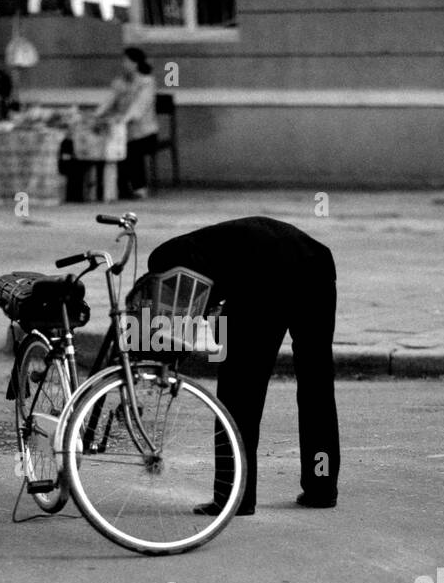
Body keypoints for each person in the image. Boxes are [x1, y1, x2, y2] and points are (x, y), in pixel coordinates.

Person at [146, 216, 340, 516]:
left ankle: (234, 496)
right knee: (317, 382)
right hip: (315, 265)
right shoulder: (205, 246)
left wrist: (165, 352)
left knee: (239, 391)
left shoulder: (174, 262)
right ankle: (322, 485)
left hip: (263, 278)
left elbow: (184, 323)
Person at [95, 47, 157, 200]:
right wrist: (97, 114)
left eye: (126, 61)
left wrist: (125, 119)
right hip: (121, 131)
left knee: (132, 148)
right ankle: (118, 187)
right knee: (109, 146)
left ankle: (139, 187)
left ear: (135, 63)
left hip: (144, 132)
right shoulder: (119, 83)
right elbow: (109, 101)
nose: (123, 64)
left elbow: (140, 105)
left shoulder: (147, 82)